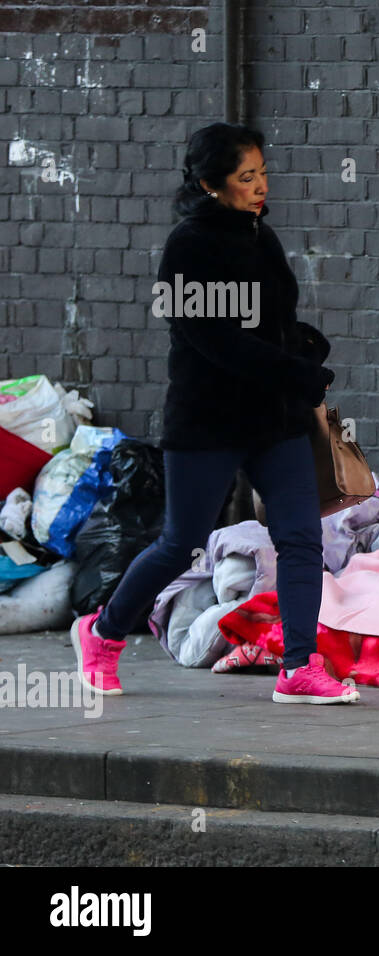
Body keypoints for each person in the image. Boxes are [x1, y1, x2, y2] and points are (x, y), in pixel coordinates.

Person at [71, 122, 359, 704]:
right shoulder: (189, 246)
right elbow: (214, 340)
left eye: (262, 173)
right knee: (181, 542)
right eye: (245, 177)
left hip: (274, 420)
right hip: (207, 422)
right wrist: (293, 370)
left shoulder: (261, 235)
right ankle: (101, 633)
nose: (260, 186)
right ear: (210, 184)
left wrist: (302, 344)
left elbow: (267, 321)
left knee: (302, 539)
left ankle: (300, 668)